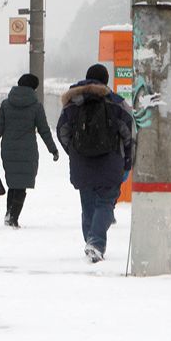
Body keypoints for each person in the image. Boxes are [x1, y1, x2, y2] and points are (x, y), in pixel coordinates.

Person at [56, 64, 135, 263]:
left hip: (82, 164)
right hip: (110, 162)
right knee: (106, 203)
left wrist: (74, 152)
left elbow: (62, 131)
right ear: (106, 80)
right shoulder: (116, 103)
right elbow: (129, 134)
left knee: (88, 204)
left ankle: (91, 241)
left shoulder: (72, 104)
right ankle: (95, 243)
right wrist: (127, 162)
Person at [0, 73, 60, 228]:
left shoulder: (6, 104)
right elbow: (44, 130)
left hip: (9, 150)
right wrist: (53, 149)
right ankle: (13, 217)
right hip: (28, 151)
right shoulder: (36, 106)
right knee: (21, 184)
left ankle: (9, 214)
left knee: (13, 183)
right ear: (33, 88)